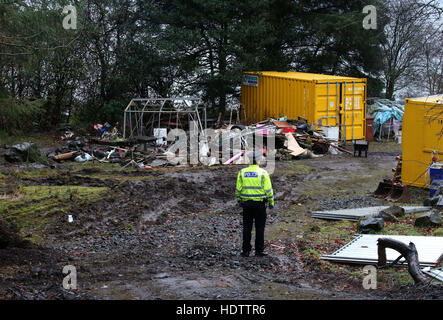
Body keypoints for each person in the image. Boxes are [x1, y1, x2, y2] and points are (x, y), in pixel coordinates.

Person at [235, 151, 274, 257]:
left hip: (247, 205)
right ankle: (259, 251)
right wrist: (271, 202)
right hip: (260, 205)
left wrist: (240, 201)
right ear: (258, 161)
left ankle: (246, 250)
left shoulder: (242, 172)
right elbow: (268, 191)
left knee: (247, 227)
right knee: (260, 228)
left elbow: (238, 190)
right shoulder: (263, 173)